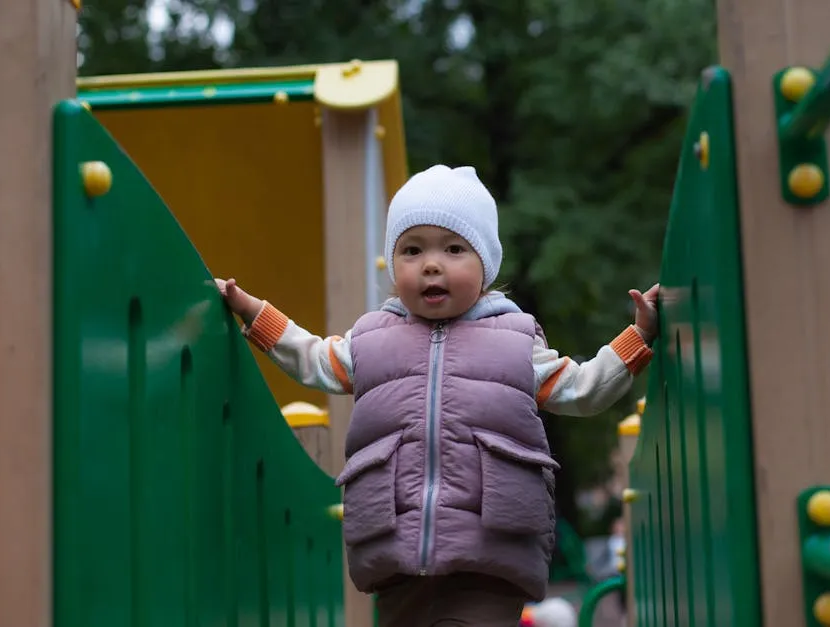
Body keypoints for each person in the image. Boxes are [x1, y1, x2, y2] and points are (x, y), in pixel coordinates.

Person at [216, 164, 659, 627]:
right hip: (396, 553)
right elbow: (313, 359)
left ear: (485, 265)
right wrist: (254, 313)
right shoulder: (371, 341)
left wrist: (638, 336)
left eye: (453, 249)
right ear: (394, 265)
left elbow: (583, 388)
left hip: (488, 553)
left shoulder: (515, 343)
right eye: (412, 250)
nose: (431, 263)